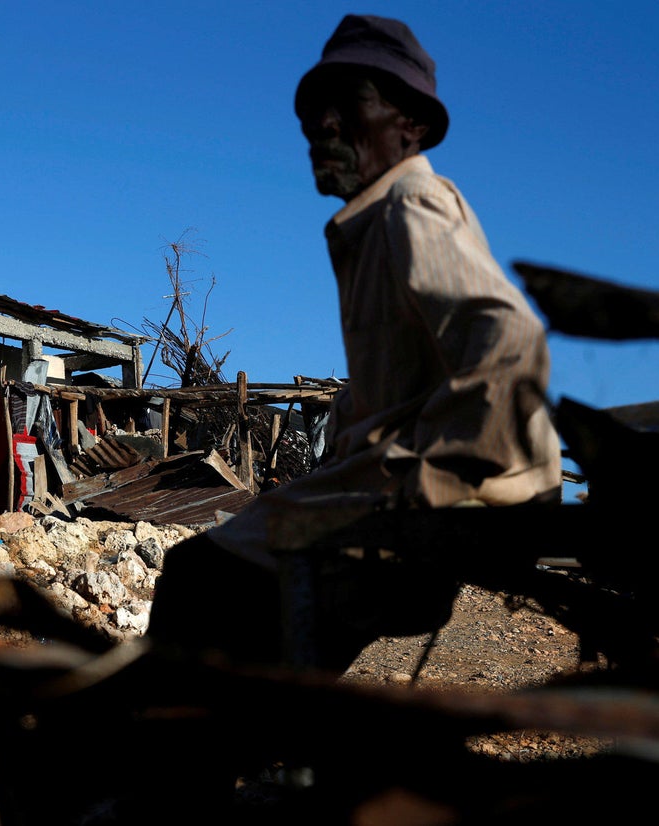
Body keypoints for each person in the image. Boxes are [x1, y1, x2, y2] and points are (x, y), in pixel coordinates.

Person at [147, 14, 562, 672]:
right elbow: (395, 391)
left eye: (350, 104)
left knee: (200, 576)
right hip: (419, 493)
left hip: (465, 503)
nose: (323, 125)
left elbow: (509, 339)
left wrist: (432, 485)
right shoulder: (372, 227)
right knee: (235, 599)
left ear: (411, 126)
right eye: (314, 110)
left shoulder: (413, 203)